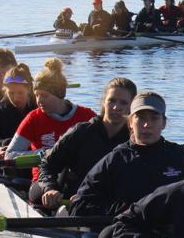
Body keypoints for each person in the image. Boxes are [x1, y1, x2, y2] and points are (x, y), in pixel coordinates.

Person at [76, 89, 184, 222]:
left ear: (163, 123)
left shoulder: (181, 157)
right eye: (141, 118)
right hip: (128, 231)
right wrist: (127, 210)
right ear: (130, 123)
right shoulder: (114, 160)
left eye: (154, 118)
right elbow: (79, 205)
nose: (147, 125)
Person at [34, 77, 137, 211]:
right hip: (72, 201)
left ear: (132, 107)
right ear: (103, 102)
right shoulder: (81, 132)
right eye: (111, 101)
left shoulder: (134, 141)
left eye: (123, 103)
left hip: (109, 206)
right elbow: (47, 164)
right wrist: (50, 189)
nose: (116, 107)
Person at [5, 58, 97, 204]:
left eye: (45, 95)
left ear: (60, 94)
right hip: (43, 180)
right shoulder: (33, 118)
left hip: (76, 178)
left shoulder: (86, 116)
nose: (39, 100)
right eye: (37, 95)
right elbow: (9, 155)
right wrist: (43, 153)